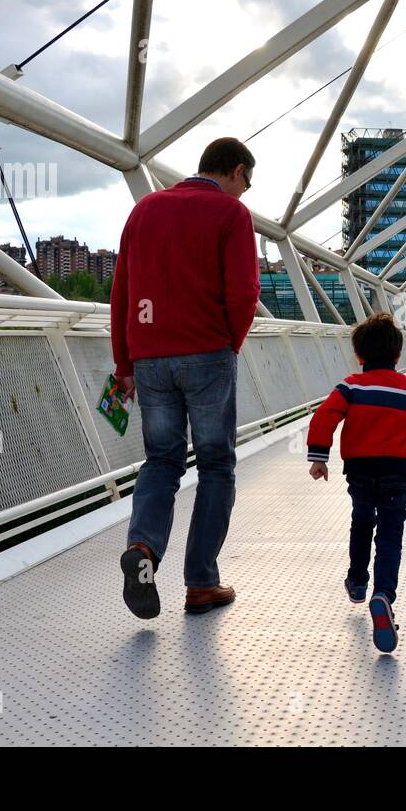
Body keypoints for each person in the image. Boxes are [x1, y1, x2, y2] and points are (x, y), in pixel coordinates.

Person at [112, 137, 260, 619]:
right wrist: (228, 344)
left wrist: (124, 364)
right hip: (207, 353)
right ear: (236, 171)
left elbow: (122, 293)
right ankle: (201, 583)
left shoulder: (145, 209)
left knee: (161, 461)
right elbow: (243, 293)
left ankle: (145, 550)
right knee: (216, 465)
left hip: (150, 357)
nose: (244, 193)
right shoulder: (231, 215)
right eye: (247, 183)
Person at [306, 313, 406, 653]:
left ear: (359, 356)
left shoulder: (351, 386)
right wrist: (402, 445)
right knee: (391, 533)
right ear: (398, 356)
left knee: (362, 521)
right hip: (398, 470)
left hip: (360, 469)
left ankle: (358, 582)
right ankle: (384, 595)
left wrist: (319, 457)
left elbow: (324, 417)